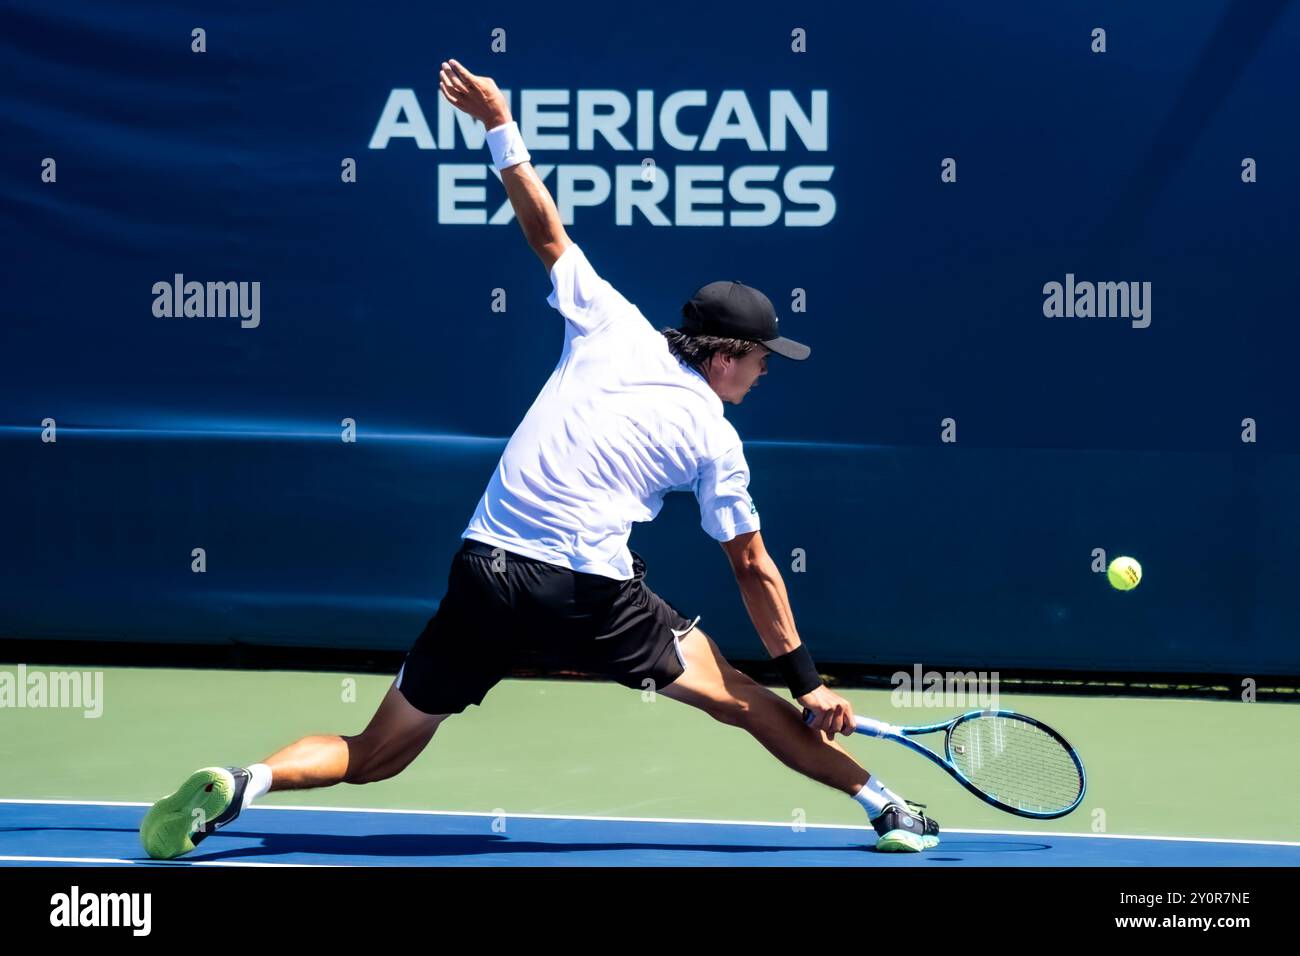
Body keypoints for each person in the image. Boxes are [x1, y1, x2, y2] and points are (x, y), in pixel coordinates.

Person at [139, 59, 939, 860]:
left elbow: (544, 227)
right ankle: (886, 808)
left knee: (375, 753)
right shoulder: (715, 438)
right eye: (763, 357)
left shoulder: (612, 321)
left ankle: (246, 783)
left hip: (484, 572)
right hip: (584, 591)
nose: (766, 371)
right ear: (726, 355)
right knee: (745, 701)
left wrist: (498, 123)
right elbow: (754, 566)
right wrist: (808, 682)